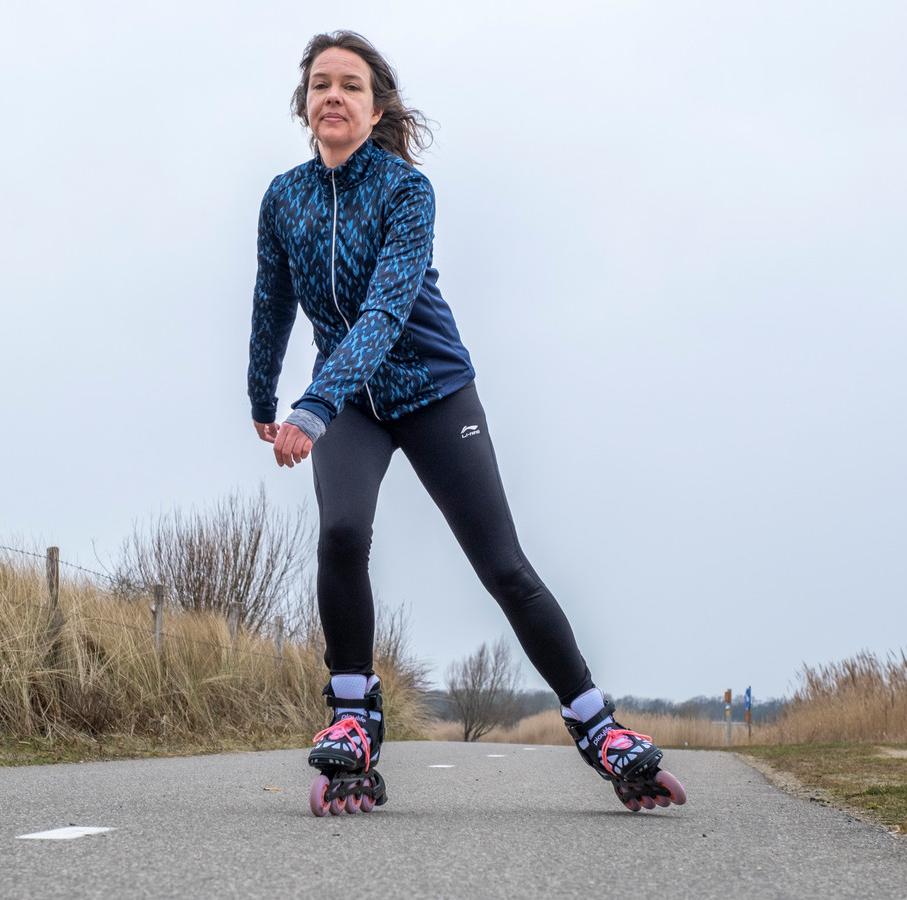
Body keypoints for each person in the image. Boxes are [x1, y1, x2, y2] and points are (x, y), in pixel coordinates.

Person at [247, 31, 685, 816]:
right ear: (304, 105)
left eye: (351, 85)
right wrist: (260, 397)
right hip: (350, 407)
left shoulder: (407, 193)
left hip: (434, 393)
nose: (334, 97)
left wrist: (312, 406)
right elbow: (272, 301)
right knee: (342, 535)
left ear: (376, 106)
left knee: (502, 565)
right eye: (320, 86)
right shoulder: (284, 198)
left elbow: (382, 313)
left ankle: (598, 726)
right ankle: (353, 717)